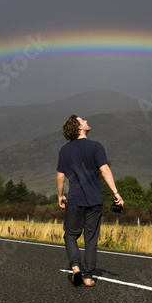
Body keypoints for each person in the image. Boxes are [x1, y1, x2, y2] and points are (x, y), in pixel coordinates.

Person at [56, 114, 123, 287]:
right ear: (79, 127)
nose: (86, 121)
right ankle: (88, 277)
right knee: (91, 239)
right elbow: (105, 169)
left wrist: (60, 195)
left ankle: (76, 267)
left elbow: (60, 176)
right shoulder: (96, 146)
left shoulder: (64, 150)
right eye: (82, 120)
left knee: (70, 235)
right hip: (95, 201)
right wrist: (115, 192)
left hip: (75, 200)